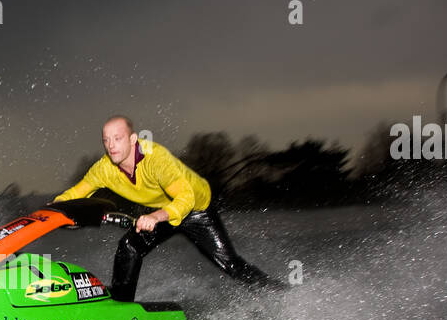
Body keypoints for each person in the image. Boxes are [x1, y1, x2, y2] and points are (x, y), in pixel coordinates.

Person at [54, 116, 281, 302]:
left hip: (196, 210)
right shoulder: (104, 168)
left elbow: (185, 198)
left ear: (133, 139)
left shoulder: (155, 159)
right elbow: (76, 192)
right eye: (106, 140)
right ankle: (121, 308)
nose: (111, 145)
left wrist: (155, 216)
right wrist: (53, 207)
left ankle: (277, 293)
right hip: (162, 212)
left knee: (231, 264)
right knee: (130, 245)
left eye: (117, 138)